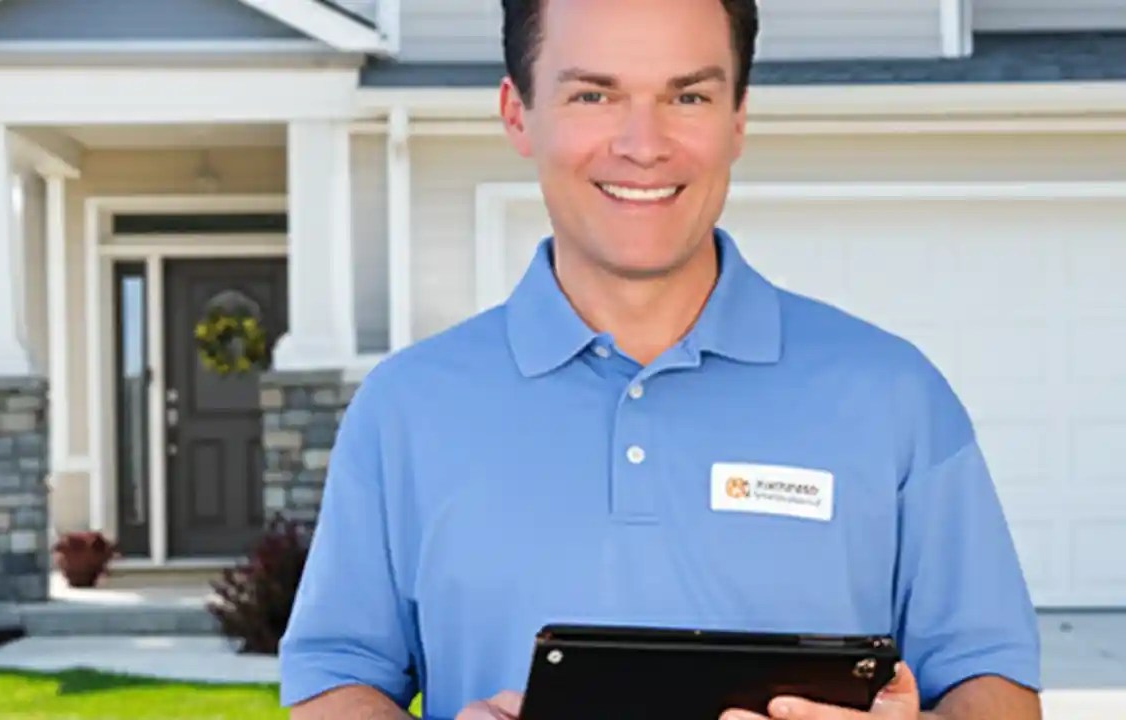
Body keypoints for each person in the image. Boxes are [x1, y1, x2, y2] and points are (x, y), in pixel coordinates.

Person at [278, 0, 1044, 718]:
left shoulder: (894, 397)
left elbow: (995, 683)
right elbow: (332, 680)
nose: (643, 145)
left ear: (738, 117)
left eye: (688, 97)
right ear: (519, 113)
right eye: (593, 96)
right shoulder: (406, 409)